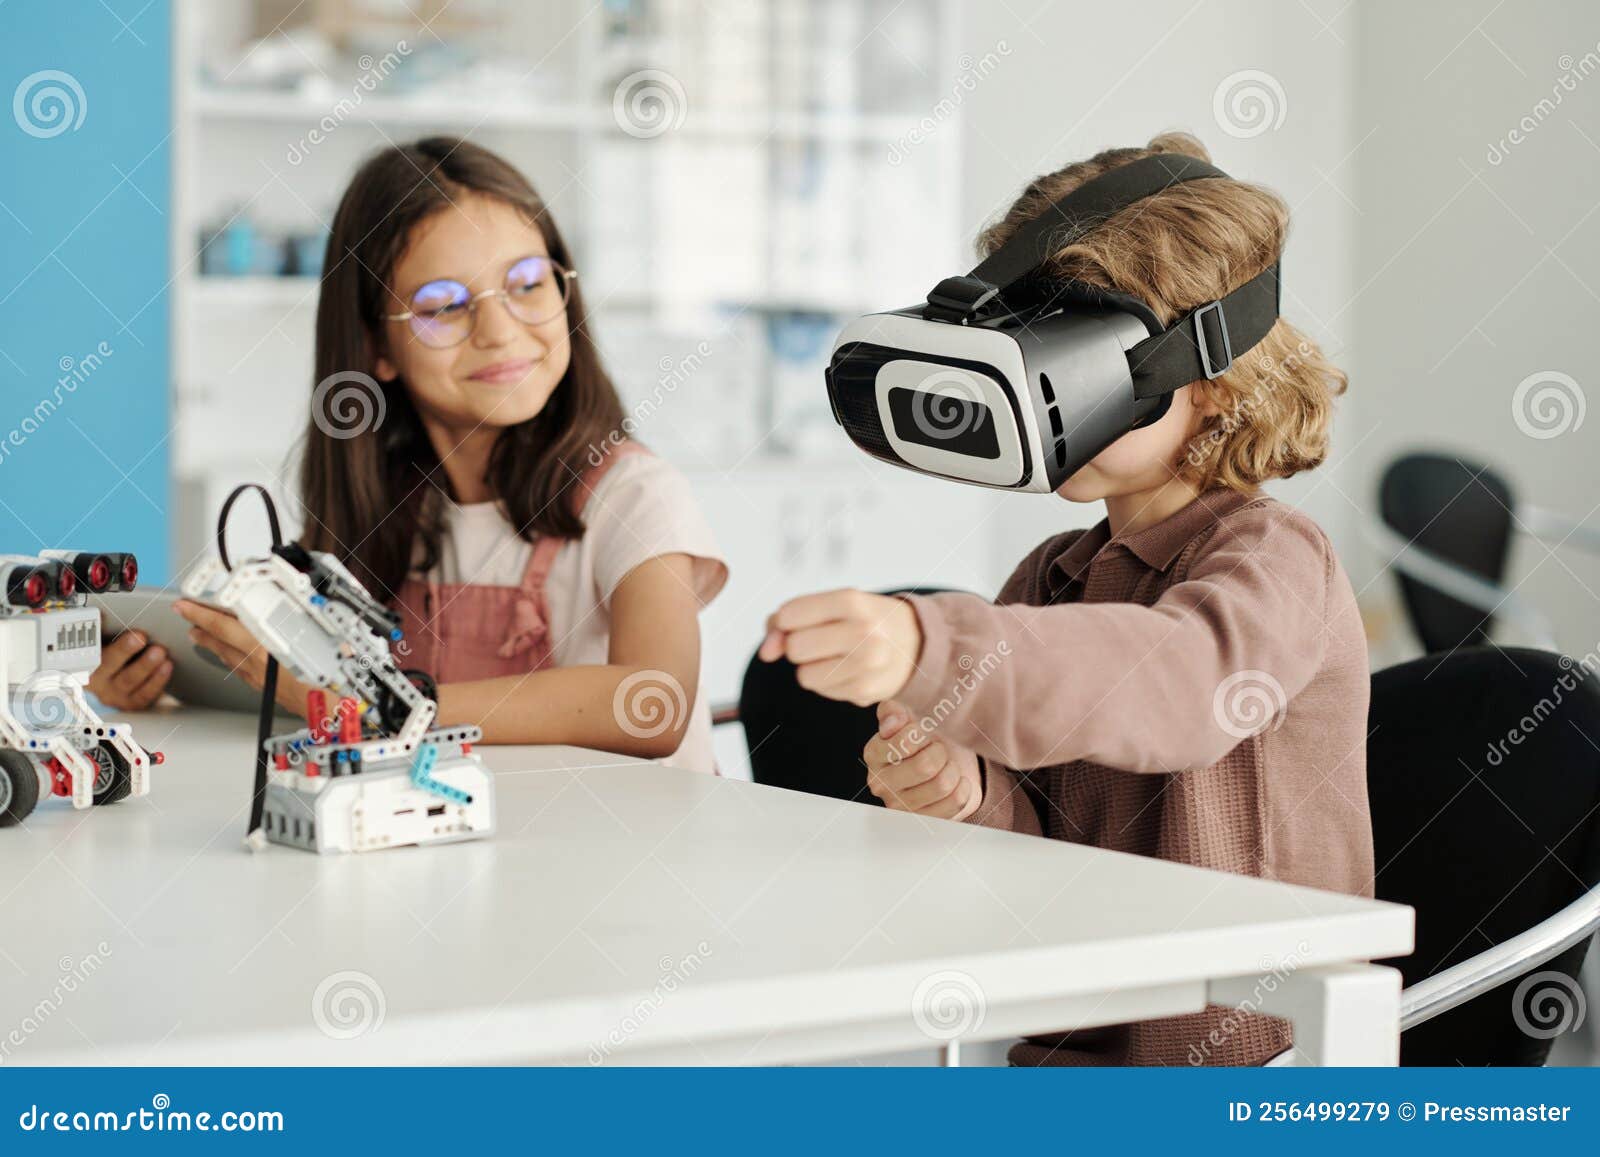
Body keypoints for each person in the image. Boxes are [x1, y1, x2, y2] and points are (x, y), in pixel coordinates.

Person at [759, 132, 1368, 1063]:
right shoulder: (1051, 576)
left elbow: (1177, 686)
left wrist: (936, 647)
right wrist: (966, 795)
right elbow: (1036, 844)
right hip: (1067, 1051)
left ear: (1205, 380)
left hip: (1247, 1061)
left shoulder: (1276, 556)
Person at [93, 138, 726, 772]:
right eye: (444, 305)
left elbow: (656, 704)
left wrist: (376, 705)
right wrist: (160, 692)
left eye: (528, 284)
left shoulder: (634, 494)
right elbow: (310, 701)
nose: (501, 330)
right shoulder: (380, 507)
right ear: (377, 349)